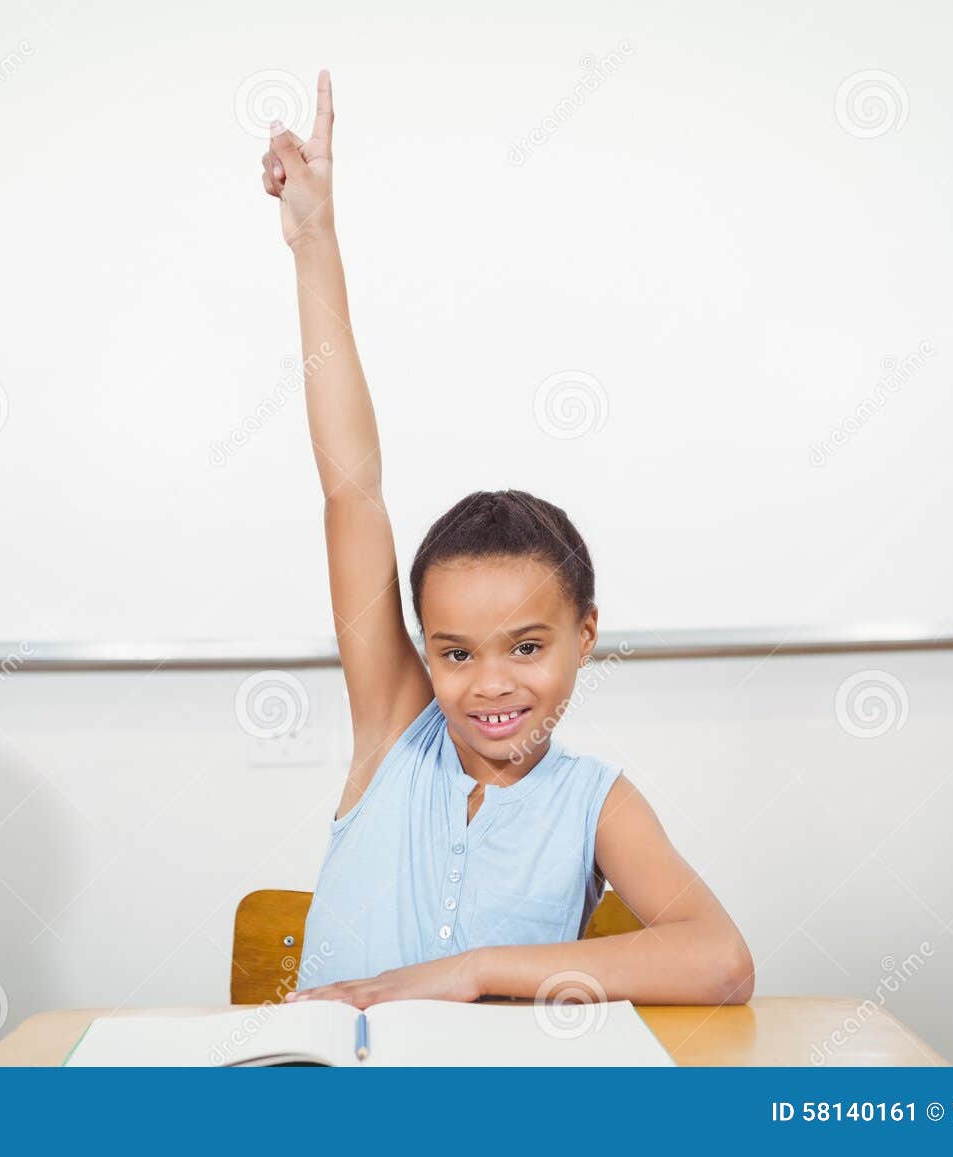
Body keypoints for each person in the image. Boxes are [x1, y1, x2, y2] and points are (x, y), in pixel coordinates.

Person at [259, 71, 753, 1009]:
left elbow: (721, 961)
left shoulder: (595, 800)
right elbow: (351, 489)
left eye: (526, 647)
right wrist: (314, 241)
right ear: (422, 651)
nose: (490, 684)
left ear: (585, 634)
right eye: (455, 652)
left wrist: (475, 970)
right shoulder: (394, 734)